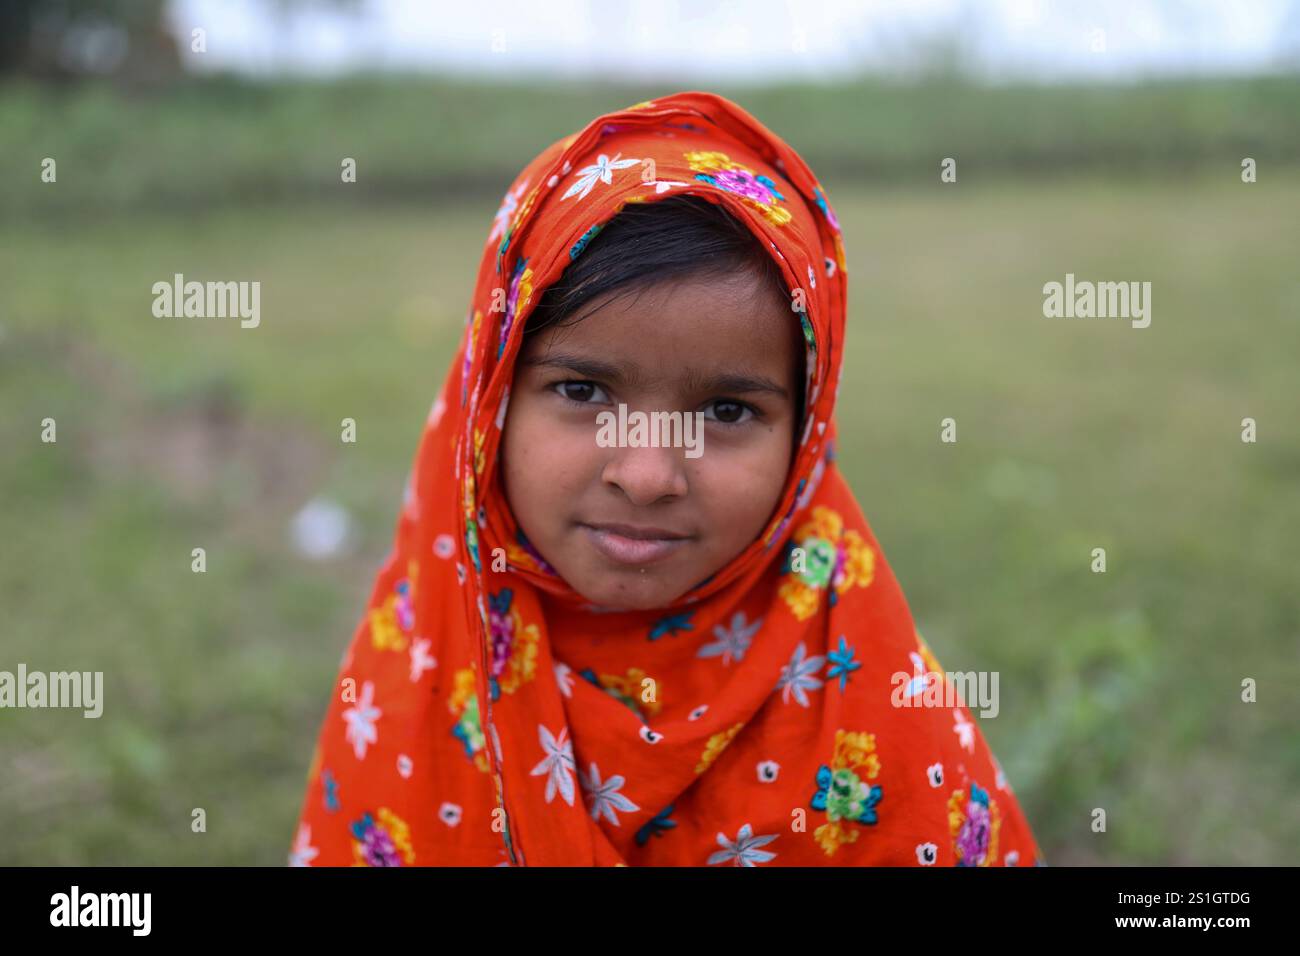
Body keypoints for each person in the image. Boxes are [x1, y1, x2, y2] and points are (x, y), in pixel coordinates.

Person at [289, 91, 1045, 867]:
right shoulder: (420, 667)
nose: (648, 475)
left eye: (726, 409)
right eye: (583, 392)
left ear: (806, 433)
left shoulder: (880, 714)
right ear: (490, 403)